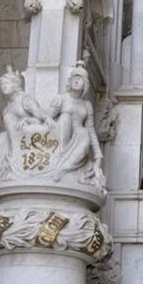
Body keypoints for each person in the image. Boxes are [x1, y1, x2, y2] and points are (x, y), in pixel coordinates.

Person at [49, 62, 105, 192]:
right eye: (74, 77)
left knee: (84, 133)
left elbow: (91, 130)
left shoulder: (87, 105)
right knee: (65, 118)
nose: (76, 81)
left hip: (80, 138)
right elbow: (47, 117)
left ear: (85, 84)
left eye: (80, 79)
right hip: (61, 135)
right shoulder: (62, 98)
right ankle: (60, 161)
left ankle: (63, 169)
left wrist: (98, 154)